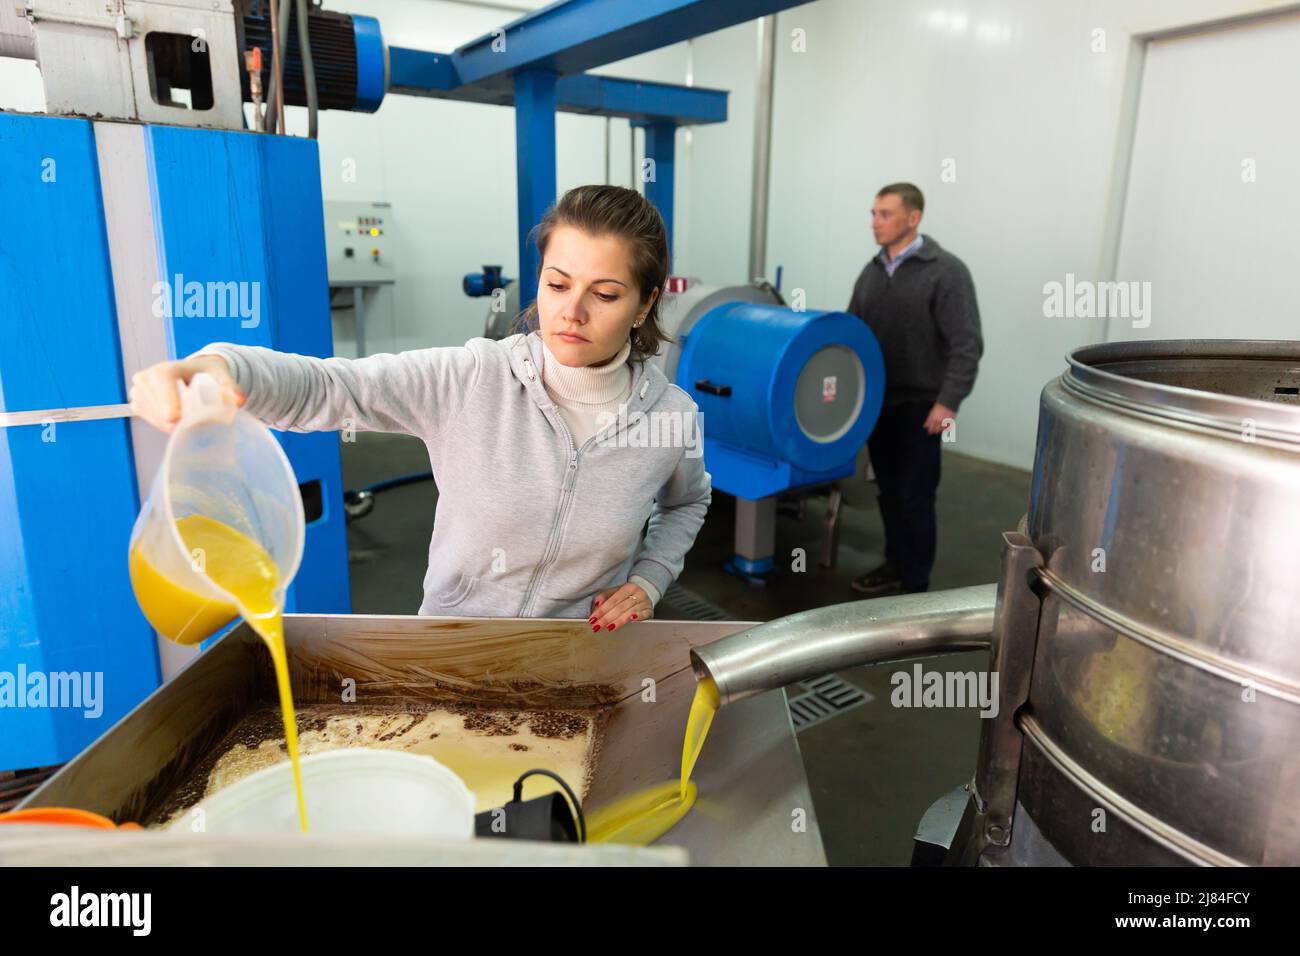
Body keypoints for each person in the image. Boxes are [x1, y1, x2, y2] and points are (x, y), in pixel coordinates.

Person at [130, 185, 711, 632]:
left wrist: (650, 578)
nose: (572, 312)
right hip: (450, 650)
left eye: (604, 294)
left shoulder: (670, 418)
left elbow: (687, 501)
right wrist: (220, 369)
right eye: (557, 285)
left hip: (582, 659)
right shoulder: (474, 379)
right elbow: (330, 386)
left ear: (644, 304)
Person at [846, 182, 982, 596]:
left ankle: (915, 585)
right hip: (878, 404)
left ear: (913, 217)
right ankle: (895, 564)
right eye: (873, 214)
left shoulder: (946, 272)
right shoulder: (872, 272)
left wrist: (948, 402)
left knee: (915, 496)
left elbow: (966, 344)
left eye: (885, 214)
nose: (875, 222)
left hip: (922, 406)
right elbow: (853, 333)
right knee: (888, 492)